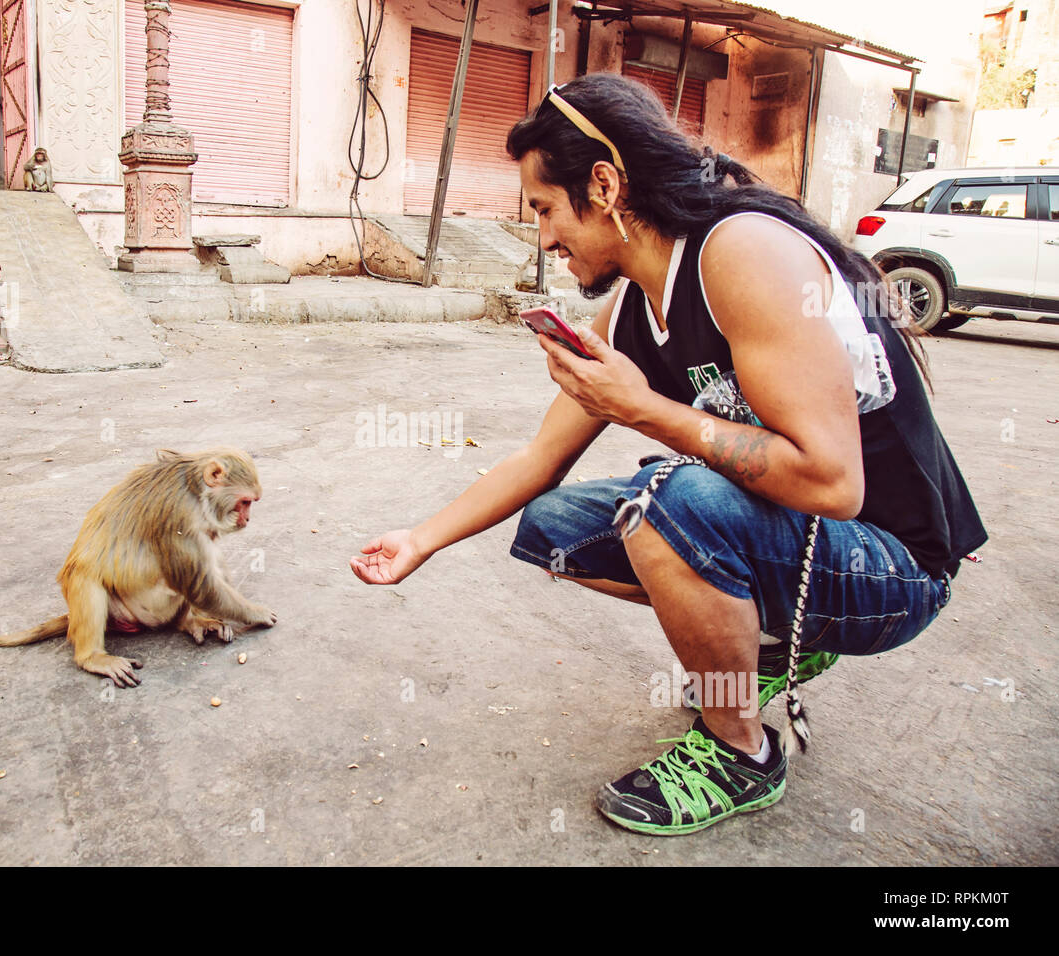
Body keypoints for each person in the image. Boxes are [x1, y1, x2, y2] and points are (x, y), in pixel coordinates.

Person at [349, 73, 986, 836]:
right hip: (801, 539)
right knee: (557, 529)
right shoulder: (636, 309)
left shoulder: (741, 254)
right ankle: (769, 643)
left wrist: (644, 410)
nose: (545, 239)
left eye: (547, 210)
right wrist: (419, 540)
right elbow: (541, 460)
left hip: (893, 569)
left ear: (607, 185)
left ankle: (740, 753)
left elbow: (835, 482)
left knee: (665, 505)